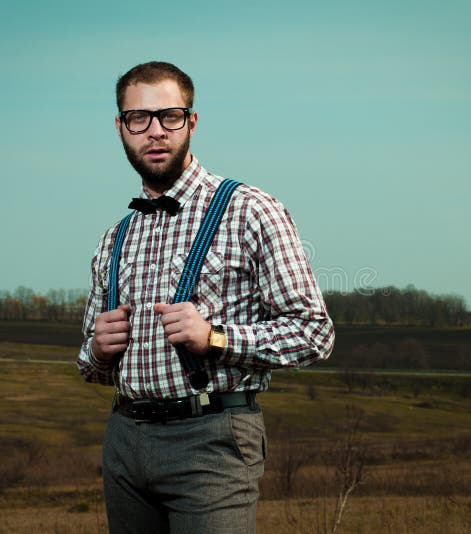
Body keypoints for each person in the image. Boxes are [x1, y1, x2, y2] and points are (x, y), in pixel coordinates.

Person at [77, 61, 334, 534]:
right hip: (124, 441)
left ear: (192, 122)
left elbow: (314, 333)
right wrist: (96, 351)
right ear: (120, 128)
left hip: (211, 438)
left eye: (169, 116)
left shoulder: (251, 211)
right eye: (139, 118)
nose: (155, 131)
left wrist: (214, 338)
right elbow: (89, 368)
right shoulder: (114, 238)